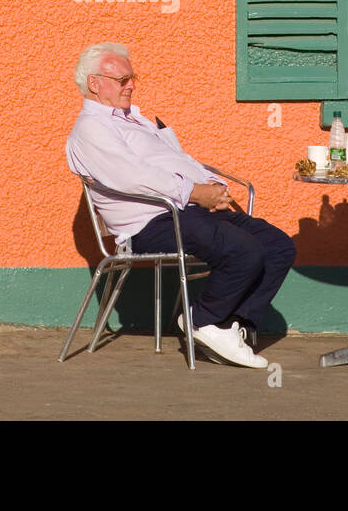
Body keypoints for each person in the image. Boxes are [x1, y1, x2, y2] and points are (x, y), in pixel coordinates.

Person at [65, 43, 295, 368]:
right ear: (94, 83)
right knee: (244, 251)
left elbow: (178, 160)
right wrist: (195, 192)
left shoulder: (135, 120)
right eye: (123, 79)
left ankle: (230, 326)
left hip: (185, 210)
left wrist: (214, 188)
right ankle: (201, 319)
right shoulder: (92, 129)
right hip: (150, 222)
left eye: (133, 78)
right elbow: (135, 178)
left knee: (278, 246)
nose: (131, 84)